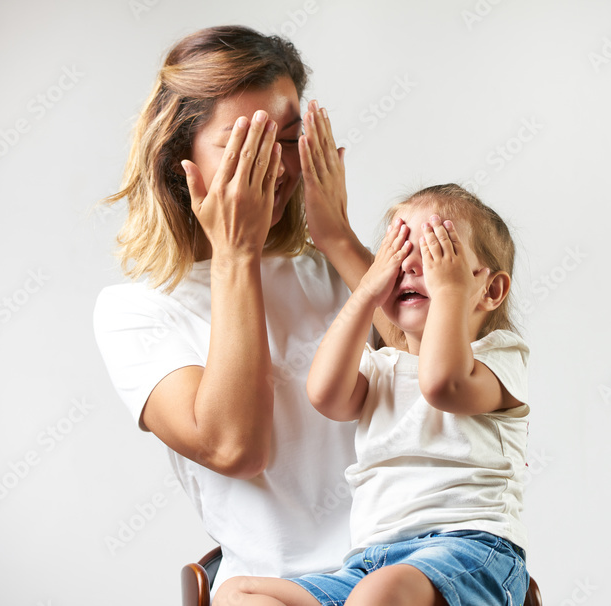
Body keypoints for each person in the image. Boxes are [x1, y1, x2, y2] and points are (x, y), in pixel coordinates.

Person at [92, 25, 397, 596]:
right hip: (273, 591)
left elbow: (445, 387)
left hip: (406, 577)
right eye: (244, 145)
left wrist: (338, 241)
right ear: (180, 157)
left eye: (287, 139)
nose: (277, 167)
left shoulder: (339, 272)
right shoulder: (136, 311)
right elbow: (236, 447)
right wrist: (237, 255)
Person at [214, 184, 531, 606]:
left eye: (439, 252)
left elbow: (441, 385)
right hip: (370, 563)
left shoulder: (495, 359)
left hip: (470, 550)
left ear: (490, 290)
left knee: (379, 592)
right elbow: (324, 393)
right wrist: (366, 291)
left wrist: (450, 291)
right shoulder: (381, 366)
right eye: (399, 254)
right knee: (237, 592)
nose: (412, 267)